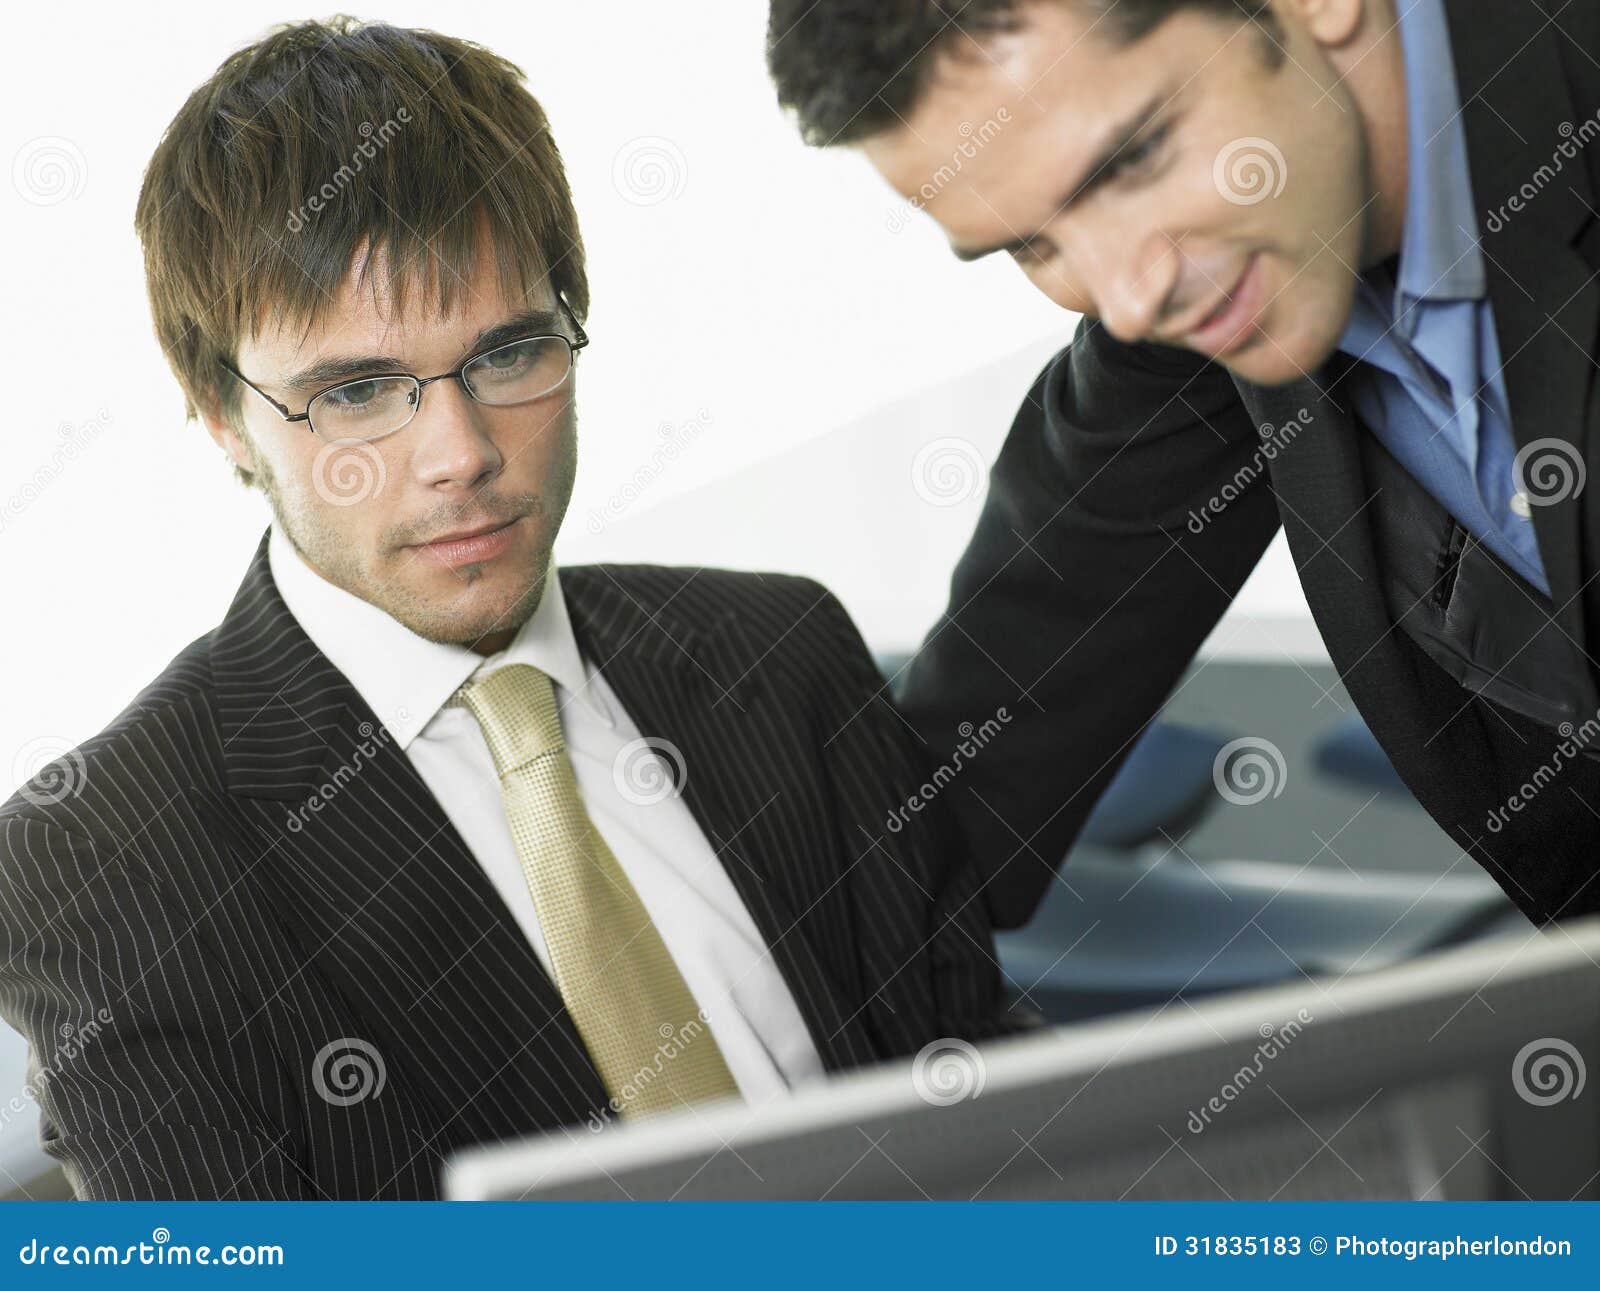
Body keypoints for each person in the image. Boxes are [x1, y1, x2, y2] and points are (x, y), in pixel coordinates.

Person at [0, 17, 1021, 1201]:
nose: (460, 453)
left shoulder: (783, 655)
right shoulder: (102, 862)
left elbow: (1003, 1121)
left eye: (507, 354)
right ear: (221, 413)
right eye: (359, 390)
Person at [767, 0, 1600, 928]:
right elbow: (965, 790)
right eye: (1030, 245)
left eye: (1130, 160)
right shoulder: (1206, 301)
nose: (1124, 300)